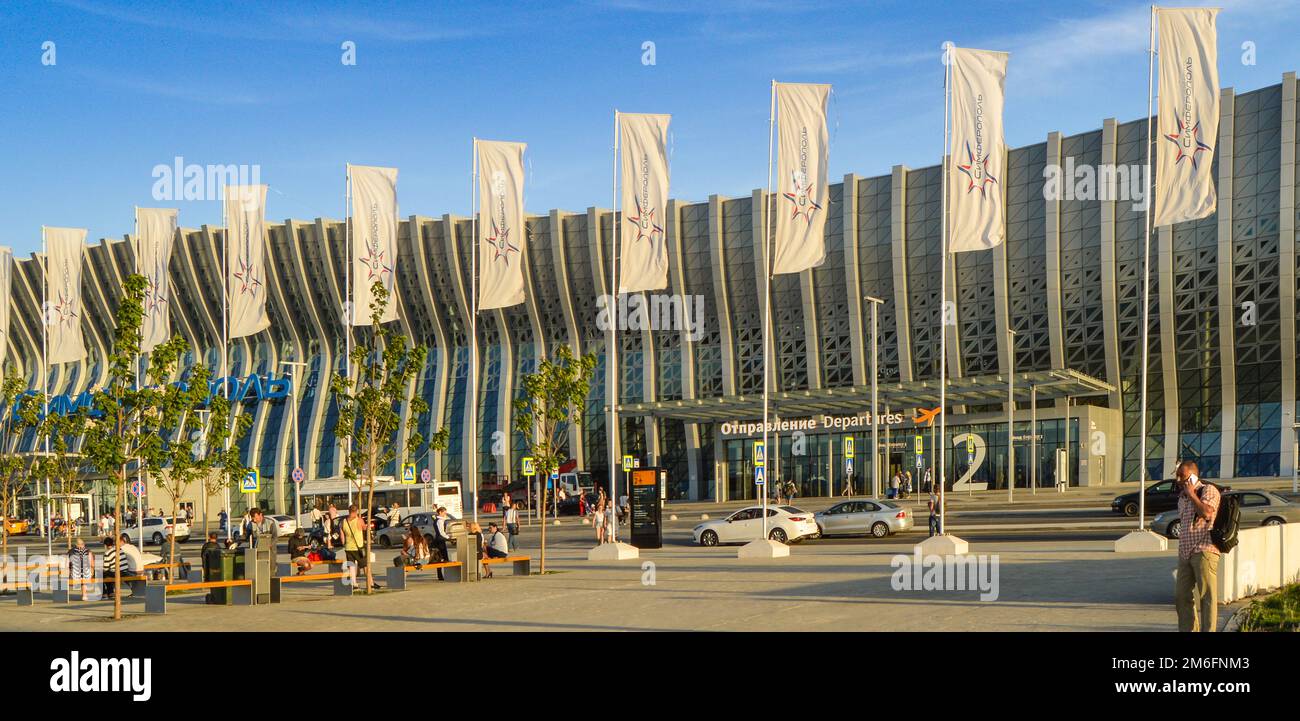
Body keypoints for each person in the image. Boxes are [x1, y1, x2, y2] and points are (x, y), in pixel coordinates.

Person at [1174, 460, 1221, 632]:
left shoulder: (1208, 490)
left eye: (1182, 476)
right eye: (1177, 475)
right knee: (1181, 596)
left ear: (1193, 477)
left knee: (1206, 596)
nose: (1178, 479)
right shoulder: (1181, 498)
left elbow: (1207, 513)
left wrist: (1192, 494)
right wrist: (1187, 494)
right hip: (1185, 553)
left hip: (1204, 550)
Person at [339, 504, 375, 590]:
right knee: (365, 565)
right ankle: (370, 583)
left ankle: (354, 584)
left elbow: (342, 536)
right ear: (356, 511)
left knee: (351, 566)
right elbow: (364, 528)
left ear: (349, 511)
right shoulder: (359, 520)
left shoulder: (343, 521)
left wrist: (344, 544)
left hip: (348, 547)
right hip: (358, 546)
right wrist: (369, 526)